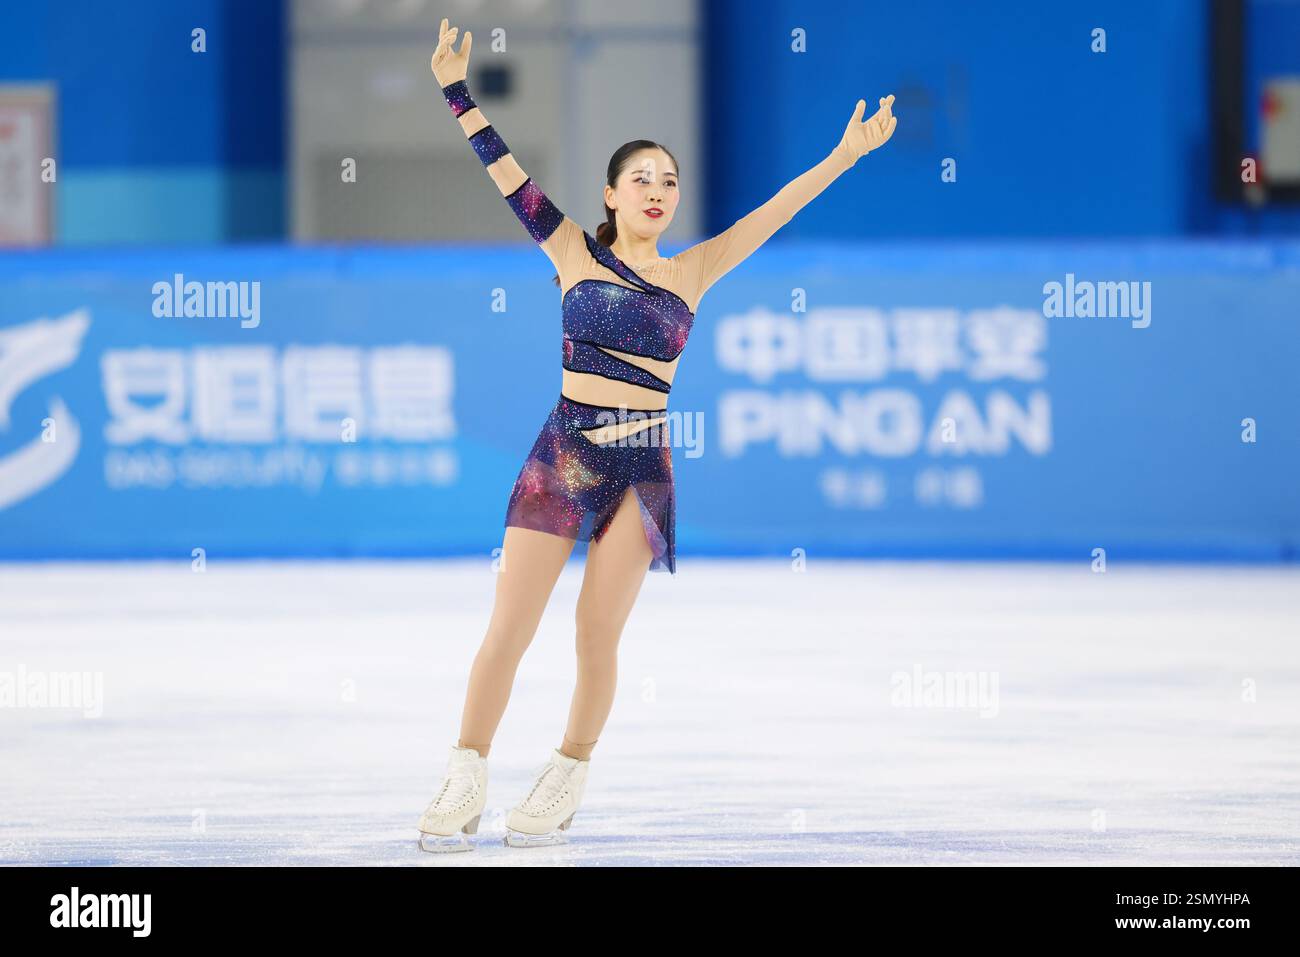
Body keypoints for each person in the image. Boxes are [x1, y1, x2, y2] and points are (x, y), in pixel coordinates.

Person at [417, 17, 897, 851]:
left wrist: (845, 155)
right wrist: (458, 91)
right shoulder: (570, 249)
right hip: (562, 456)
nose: (656, 190)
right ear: (611, 194)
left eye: (668, 181)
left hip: (642, 470)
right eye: (640, 178)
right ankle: (466, 770)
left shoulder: (695, 270)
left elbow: (775, 212)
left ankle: (567, 774)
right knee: (510, 628)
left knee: (595, 635)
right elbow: (508, 174)